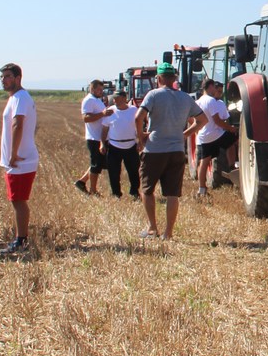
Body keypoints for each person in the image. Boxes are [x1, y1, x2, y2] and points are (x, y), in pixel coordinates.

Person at [135, 62, 203, 240]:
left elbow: (138, 117)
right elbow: (202, 120)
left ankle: (152, 228)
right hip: (176, 150)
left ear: (158, 78)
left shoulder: (153, 95)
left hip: (154, 149)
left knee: (147, 190)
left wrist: (141, 135)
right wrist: (184, 135)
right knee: (172, 194)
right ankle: (168, 233)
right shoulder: (186, 98)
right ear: (174, 79)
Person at [0, 62, 38, 255]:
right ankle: (20, 238)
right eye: (2, 77)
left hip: (21, 160)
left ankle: (21, 240)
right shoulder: (16, 98)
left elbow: (18, 125)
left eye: (7, 77)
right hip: (18, 159)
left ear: (18, 78)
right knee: (17, 200)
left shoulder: (21, 98)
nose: (4, 81)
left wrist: (13, 154)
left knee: (18, 201)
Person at [192, 77, 236, 198]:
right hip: (215, 134)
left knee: (204, 162)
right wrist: (230, 128)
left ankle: (201, 189)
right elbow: (217, 121)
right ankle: (232, 167)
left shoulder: (198, 101)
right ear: (210, 87)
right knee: (232, 140)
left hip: (203, 136)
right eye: (214, 88)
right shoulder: (211, 101)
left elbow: (192, 119)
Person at [101, 88, 141, 198]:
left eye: (117, 98)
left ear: (124, 98)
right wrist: (102, 144)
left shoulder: (134, 110)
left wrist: (139, 142)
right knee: (113, 172)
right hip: (114, 146)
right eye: (114, 99)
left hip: (131, 145)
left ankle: (134, 192)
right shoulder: (110, 111)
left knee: (133, 171)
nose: (114, 101)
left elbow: (139, 127)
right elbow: (104, 129)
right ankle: (116, 193)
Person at [75, 80, 112, 195]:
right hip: (94, 138)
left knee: (99, 163)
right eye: (99, 90)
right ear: (92, 89)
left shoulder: (96, 100)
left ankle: (82, 182)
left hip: (100, 137)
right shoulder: (88, 100)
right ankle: (93, 190)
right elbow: (86, 118)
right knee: (96, 165)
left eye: (102, 90)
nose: (101, 92)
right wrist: (102, 114)